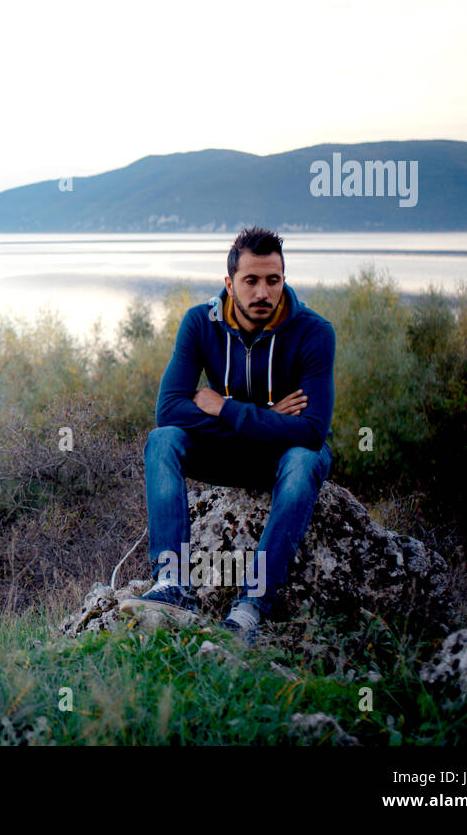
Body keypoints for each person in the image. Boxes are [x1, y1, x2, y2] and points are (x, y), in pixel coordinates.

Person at [137, 226, 336, 637]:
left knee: (304, 459)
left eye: (273, 280)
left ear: (284, 280)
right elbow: (168, 410)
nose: (262, 292)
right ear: (229, 284)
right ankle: (172, 583)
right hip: (230, 455)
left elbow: (313, 431)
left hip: (280, 460)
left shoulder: (315, 332)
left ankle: (251, 607)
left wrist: (228, 409)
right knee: (163, 441)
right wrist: (272, 419)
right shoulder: (199, 323)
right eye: (251, 281)